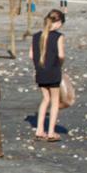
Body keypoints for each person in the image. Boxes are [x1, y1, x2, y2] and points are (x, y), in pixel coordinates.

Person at [29, 9, 66, 141]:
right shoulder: (58, 36)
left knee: (46, 99)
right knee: (55, 102)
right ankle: (51, 132)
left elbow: (31, 55)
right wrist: (59, 65)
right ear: (58, 22)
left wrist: (38, 67)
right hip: (53, 71)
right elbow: (61, 55)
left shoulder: (35, 36)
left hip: (40, 71)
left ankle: (39, 130)